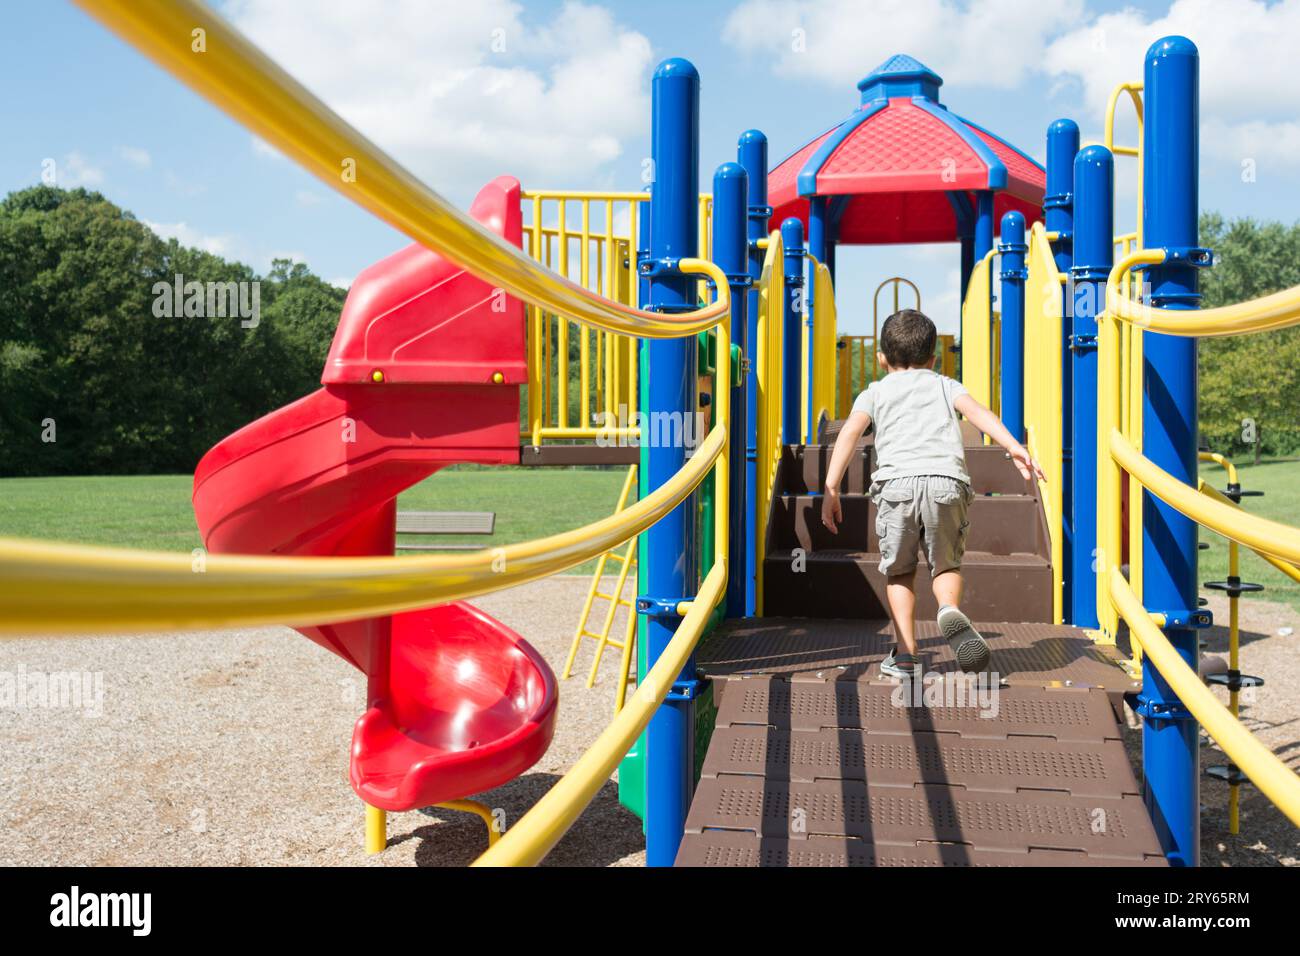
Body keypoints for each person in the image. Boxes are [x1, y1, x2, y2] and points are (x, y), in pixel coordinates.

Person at [820, 308, 1045, 679]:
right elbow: (978, 413)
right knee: (947, 565)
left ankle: (906, 657)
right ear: (934, 358)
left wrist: (831, 486)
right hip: (946, 483)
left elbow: (849, 434)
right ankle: (947, 609)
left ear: (880, 358)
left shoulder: (874, 392)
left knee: (900, 572)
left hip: (897, 488)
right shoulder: (945, 385)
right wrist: (1014, 446)